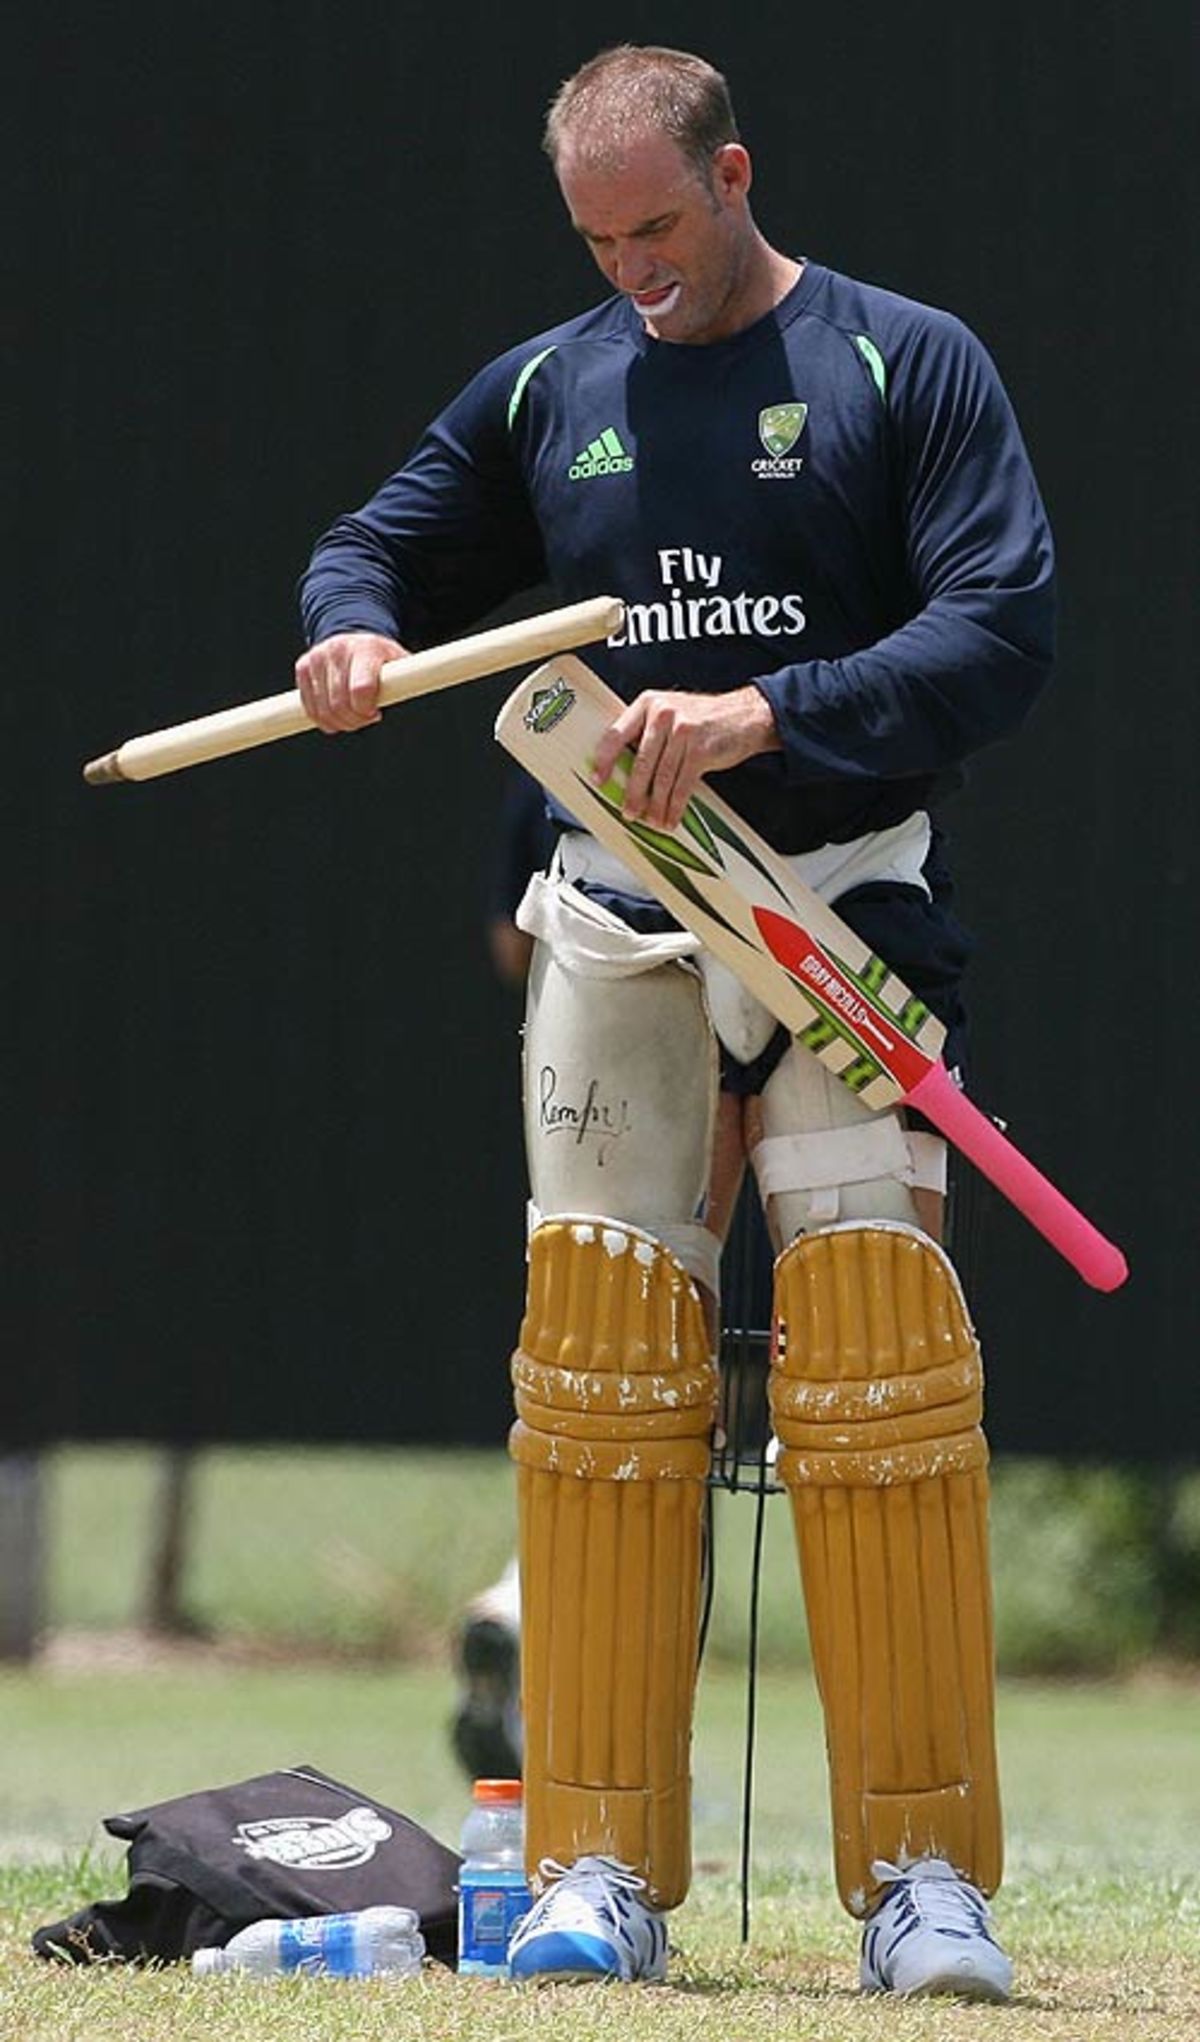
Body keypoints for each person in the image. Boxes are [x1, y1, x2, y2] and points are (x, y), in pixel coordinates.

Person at [296, 44, 1054, 2000]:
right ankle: (594, 1864)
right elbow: (381, 540)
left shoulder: (907, 363)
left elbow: (1000, 629)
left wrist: (765, 714)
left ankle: (918, 1878)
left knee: (881, 1376)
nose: (632, 267)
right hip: (623, 913)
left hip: (842, 903)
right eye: (597, 238)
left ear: (732, 172)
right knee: (606, 1374)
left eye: (658, 224)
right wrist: (353, 625)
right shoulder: (556, 390)